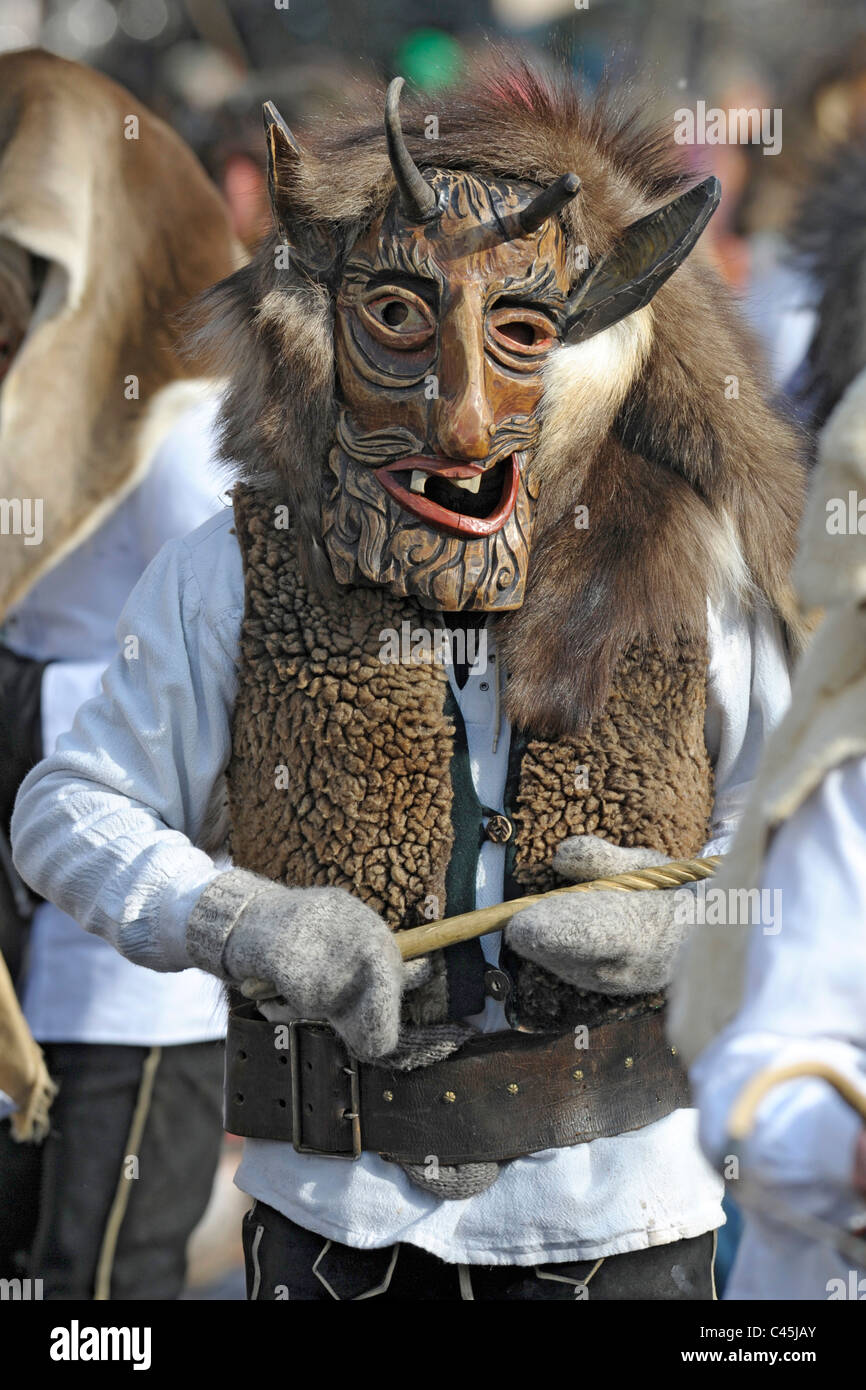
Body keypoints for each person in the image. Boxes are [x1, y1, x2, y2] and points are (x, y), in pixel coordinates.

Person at [12, 56, 806, 1301]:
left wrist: (681, 924)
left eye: (521, 335)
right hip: (334, 1216)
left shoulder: (686, 569)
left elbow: (802, 824)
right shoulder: (230, 566)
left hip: (621, 1212)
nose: (459, 418)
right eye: (398, 321)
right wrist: (242, 919)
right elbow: (68, 811)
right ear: (327, 329)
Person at [0, 49, 242, 1301]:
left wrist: (28, 706)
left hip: (128, 979)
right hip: (24, 949)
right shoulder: (32, 400)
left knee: (102, 1296)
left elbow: (233, 655)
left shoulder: (175, 419)